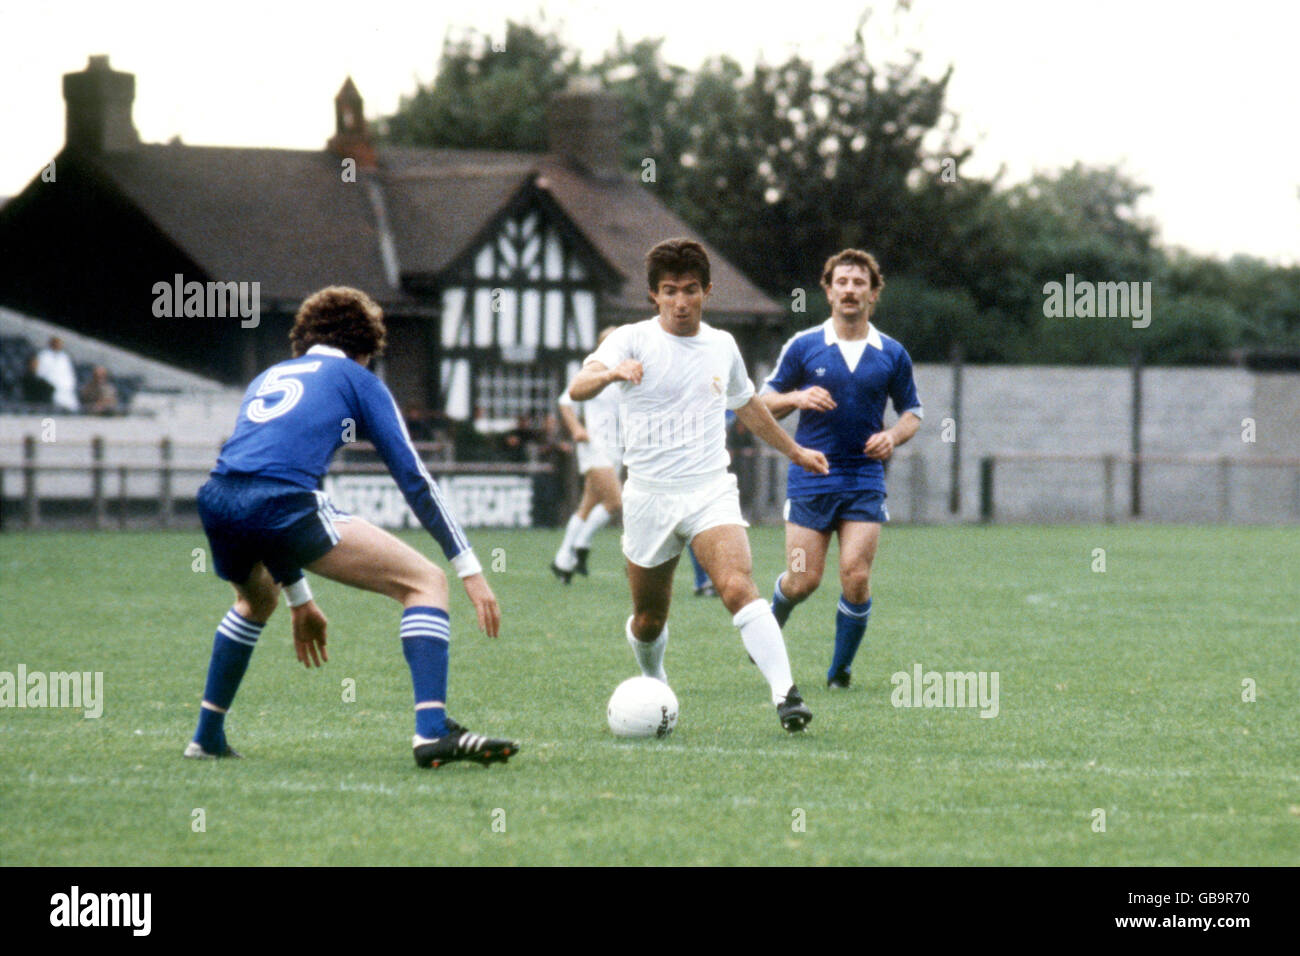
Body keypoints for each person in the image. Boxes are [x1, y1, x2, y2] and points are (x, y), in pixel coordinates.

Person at [186, 286, 517, 768]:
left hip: (218, 501)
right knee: (425, 582)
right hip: (278, 502)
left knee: (256, 599)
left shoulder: (270, 375)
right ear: (366, 350)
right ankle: (430, 733)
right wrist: (468, 566)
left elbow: (259, 496)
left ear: (304, 339)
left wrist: (301, 600)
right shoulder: (355, 378)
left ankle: (206, 737)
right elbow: (414, 477)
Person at [568, 238, 829, 733]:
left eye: (690, 290)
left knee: (736, 586)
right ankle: (655, 682)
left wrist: (794, 452)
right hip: (647, 496)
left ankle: (786, 695)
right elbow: (579, 386)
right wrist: (610, 373)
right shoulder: (630, 339)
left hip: (710, 488)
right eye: (669, 291)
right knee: (648, 619)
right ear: (654, 296)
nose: (681, 302)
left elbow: (747, 405)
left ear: (707, 291)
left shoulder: (722, 345)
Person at [760, 249, 923, 689]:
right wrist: (795, 398)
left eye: (859, 283)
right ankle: (767, 627)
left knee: (856, 574)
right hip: (811, 477)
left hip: (864, 479)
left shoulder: (892, 353)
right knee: (801, 579)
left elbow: (913, 412)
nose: (850, 290)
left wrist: (893, 437)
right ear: (828, 290)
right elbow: (762, 402)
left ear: (873, 293)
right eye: (842, 282)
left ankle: (839, 672)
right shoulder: (804, 345)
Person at [552, 326, 623, 583]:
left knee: (587, 506)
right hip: (594, 446)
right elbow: (565, 401)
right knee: (616, 502)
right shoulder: (591, 371)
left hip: (616, 449)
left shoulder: (622, 375)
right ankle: (581, 545)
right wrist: (576, 428)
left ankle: (562, 560)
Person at [35, 336, 78, 411]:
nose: (58, 346)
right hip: (50, 387)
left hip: (66, 388)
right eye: (56, 344)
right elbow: (40, 373)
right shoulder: (43, 355)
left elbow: (69, 373)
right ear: (51, 344)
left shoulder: (64, 357)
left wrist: (69, 385)